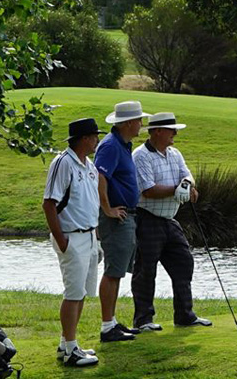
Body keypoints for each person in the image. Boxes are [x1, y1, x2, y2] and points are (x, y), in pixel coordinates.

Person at [130, 111, 210, 330]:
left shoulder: (174, 153)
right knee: (147, 271)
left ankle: (185, 315)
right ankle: (143, 320)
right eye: (170, 130)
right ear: (156, 132)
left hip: (169, 220)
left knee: (184, 263)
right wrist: (178, 190)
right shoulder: (141, 156)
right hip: (147, 219)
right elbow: (148, 190)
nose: (175, 133)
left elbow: (187, 175)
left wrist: (188, 185)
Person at [43, 117, 104, 366]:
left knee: (81, 293)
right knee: (73, 293)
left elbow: (92, 204)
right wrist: (62, 240)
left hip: (89, 236)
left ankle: (67, 343)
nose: (97, 141)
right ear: (84, 139)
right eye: (94, 137)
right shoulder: (63, 163)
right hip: (72, 237)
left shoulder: (89, 165)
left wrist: (97, 239)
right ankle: (70, 350)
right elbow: (49, 203)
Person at [93, 101, 149, 343]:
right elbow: (99, 178)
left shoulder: (123, 145)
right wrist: (107, 210)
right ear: (127, 123)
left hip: (127, 215)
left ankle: (112, 322)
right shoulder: (111, 146)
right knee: (113, 271)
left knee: (118, 272)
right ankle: (107, 326)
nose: (141, 124)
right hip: (118, 217)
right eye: (138, 120)